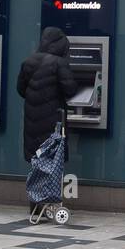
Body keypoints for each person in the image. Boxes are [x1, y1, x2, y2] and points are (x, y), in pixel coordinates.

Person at [17, 27, 79, 216]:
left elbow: (21, 90)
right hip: (53, 120)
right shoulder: (59, 63)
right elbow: (70, 90)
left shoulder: (28, 62)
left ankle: (36, 206)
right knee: (53, 162)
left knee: (37, 162)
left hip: (32, 119)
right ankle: (51, 204)